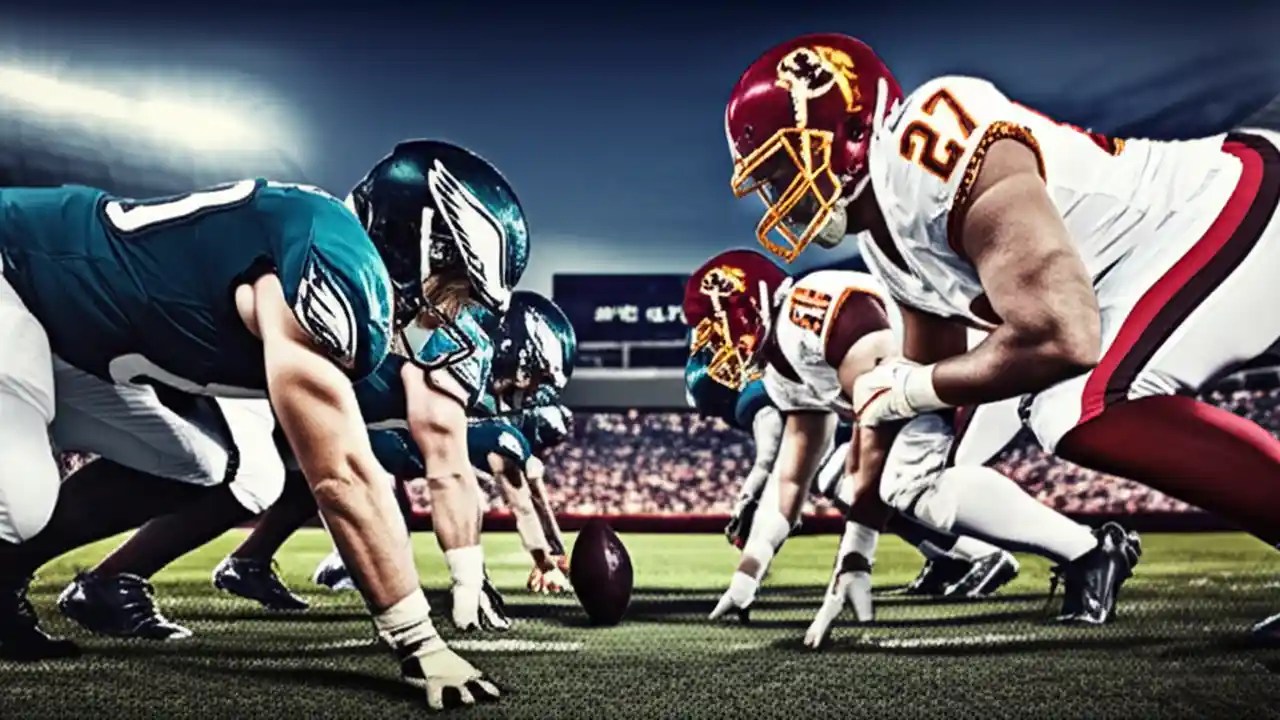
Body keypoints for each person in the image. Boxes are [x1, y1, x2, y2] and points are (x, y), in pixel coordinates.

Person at [723, 34, 1280, 641]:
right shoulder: (886, 245)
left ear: (852, 133)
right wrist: (856, 550)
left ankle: (1094, 550)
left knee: (1076, 405)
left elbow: (1062, 337)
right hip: (1143, 266)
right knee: (1028, 420)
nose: (782, 198)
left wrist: (910, 387)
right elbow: (907, 410)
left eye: (786, 168)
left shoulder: (929, 146)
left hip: (1226, 204)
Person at [0, 138, 526, 709]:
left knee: (209, 466)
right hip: (15, 274)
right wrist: (417, 640)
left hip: (71, 341)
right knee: (17, 502)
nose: (448, 313)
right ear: (415, 242)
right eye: (451, 290)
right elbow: (343, 477)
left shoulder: (317, 239)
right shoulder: (333, 261)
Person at [682, 249, 1141, 647]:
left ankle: (1089, 552)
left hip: (976, 359)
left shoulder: (813, 310)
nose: (714, 345)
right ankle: (975, 556)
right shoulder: (782, 371)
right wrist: (748, 576)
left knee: (910, 485)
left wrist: (855, 557)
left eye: (714, 327)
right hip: (920, 389)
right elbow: (792, 475)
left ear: (750, 303)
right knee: (836, 472)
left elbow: (878, 421)